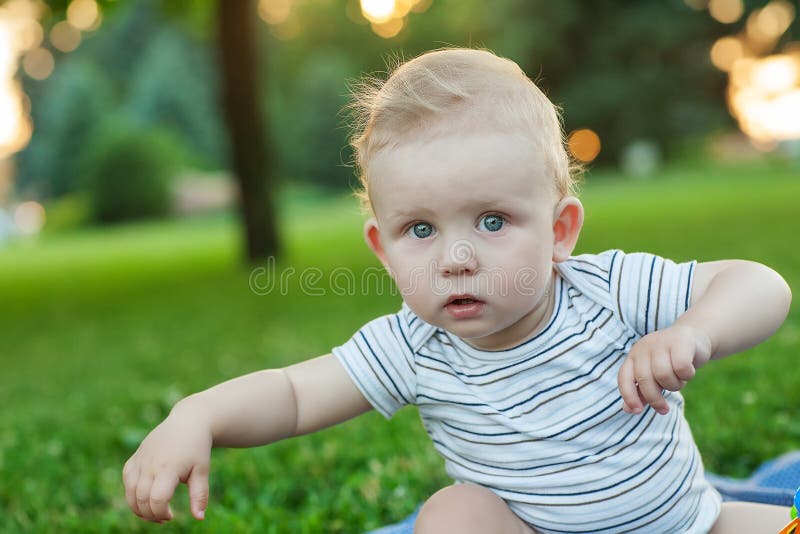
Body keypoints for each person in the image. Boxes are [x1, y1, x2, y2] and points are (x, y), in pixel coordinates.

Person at [122, 48, 792, 533]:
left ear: (560, 231)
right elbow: (295, 395)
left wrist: (693, 330)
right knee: (452, 515)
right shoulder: (414, 346)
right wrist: (199, 416)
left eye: (492, 221)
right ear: (382, 249)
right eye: (420, 229)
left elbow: (760, 286)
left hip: (691, 524)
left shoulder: (608, 290)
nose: (457, 258)